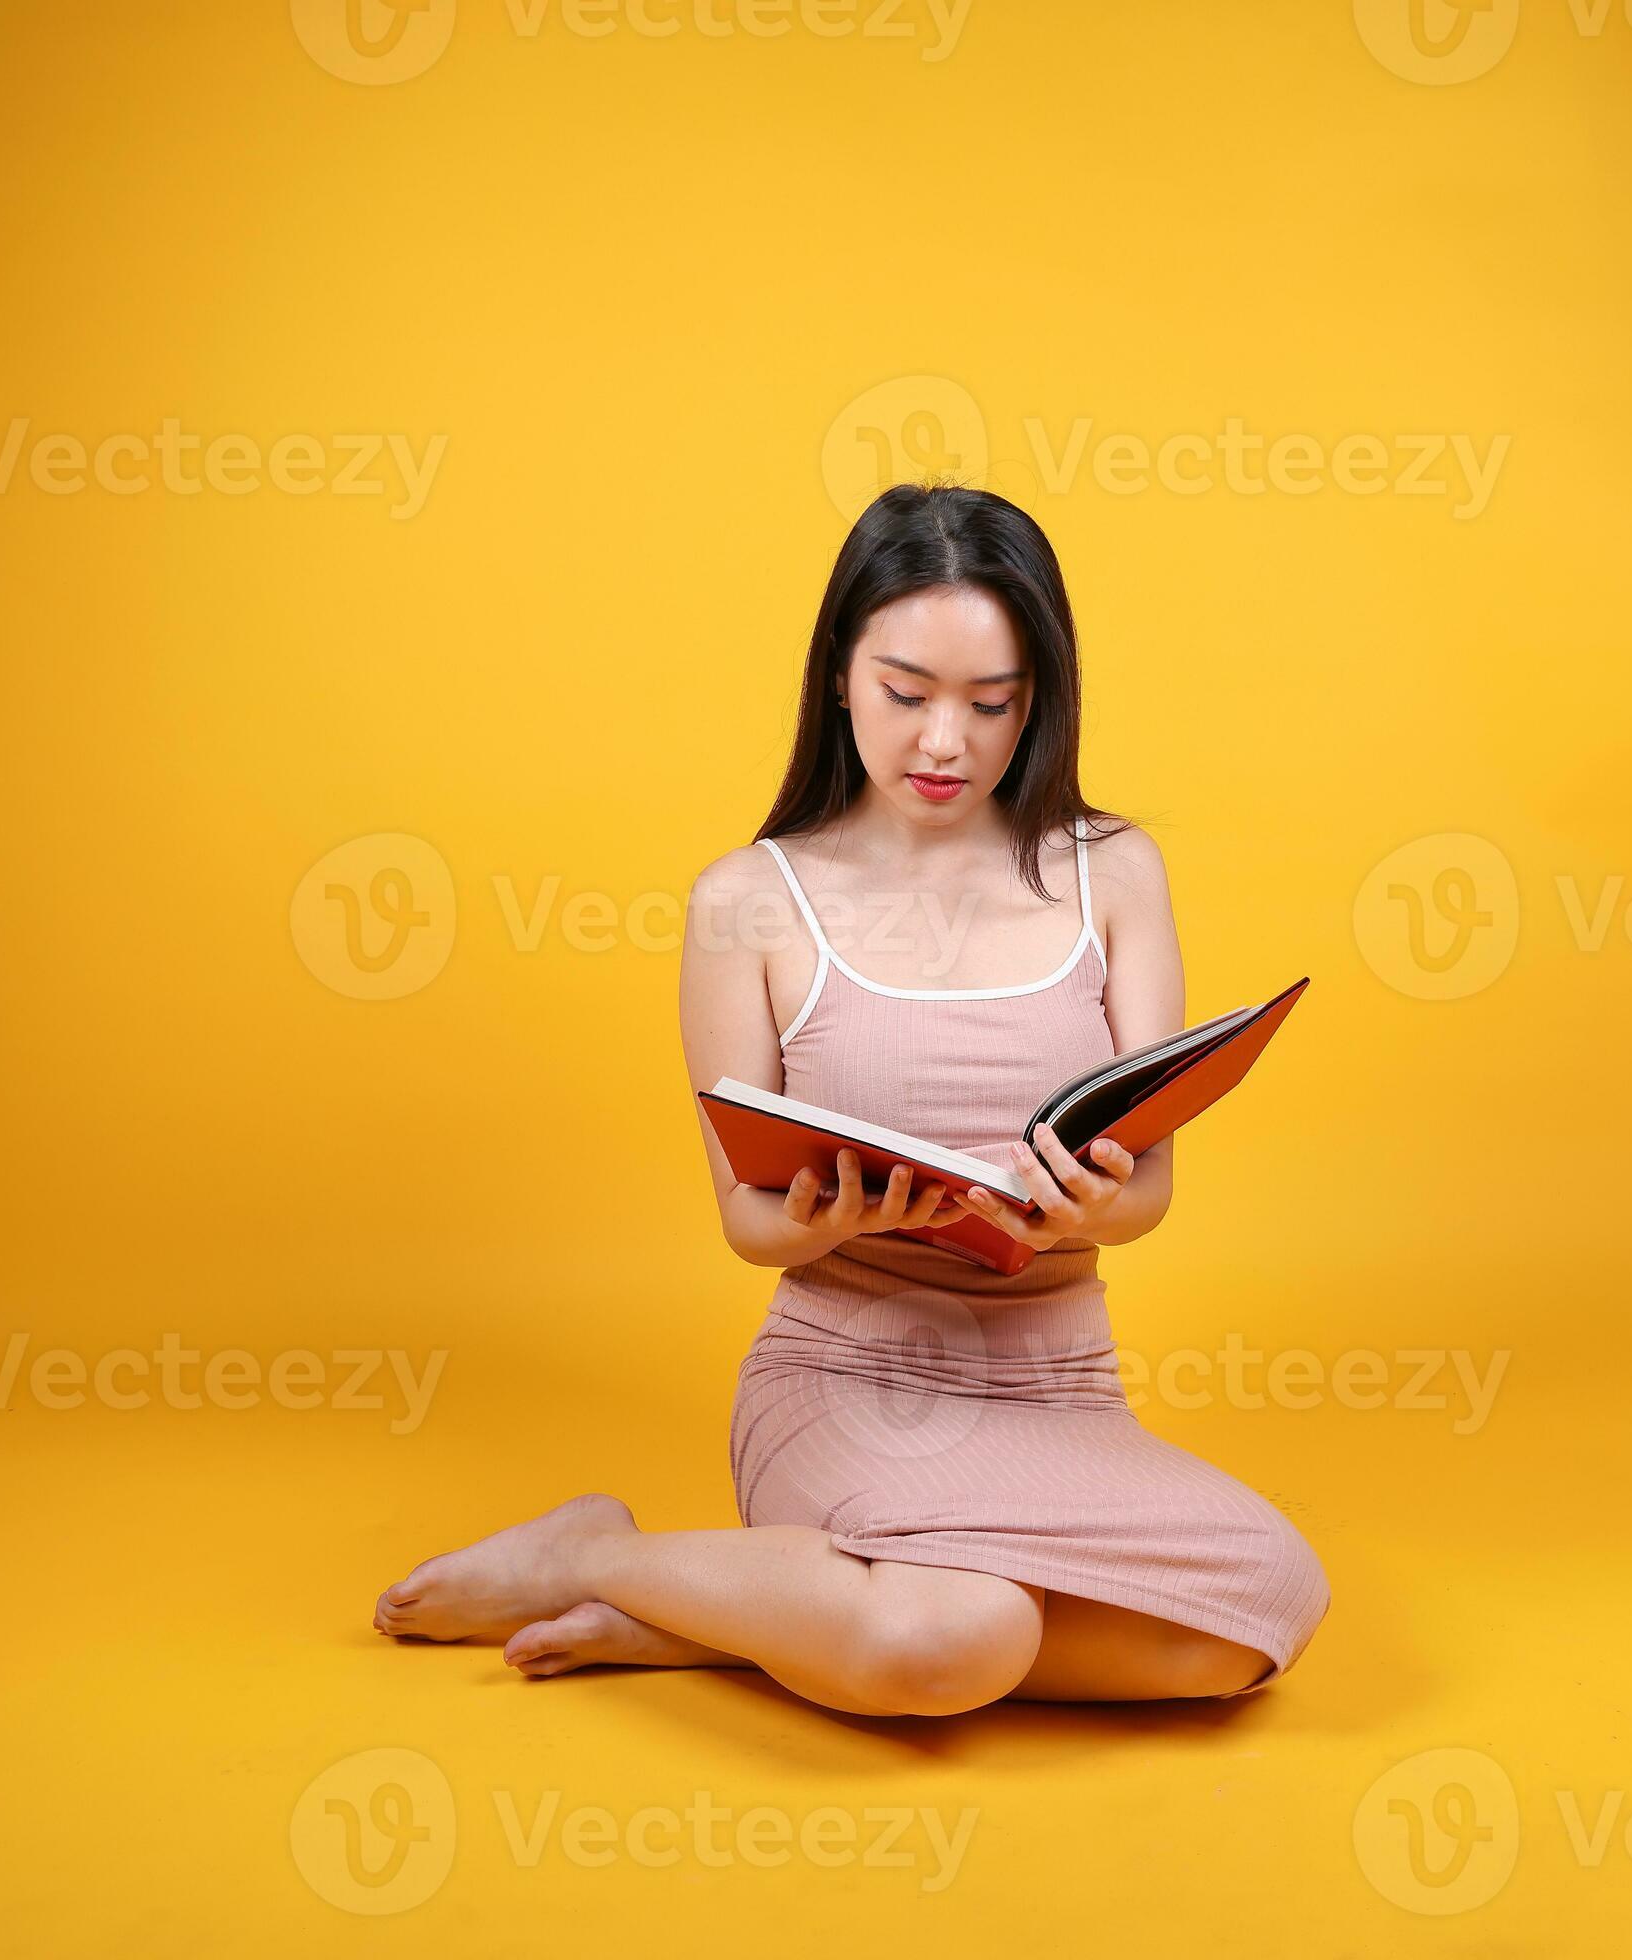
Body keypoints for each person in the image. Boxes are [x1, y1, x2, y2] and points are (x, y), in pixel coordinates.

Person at [372, 484, 1329, 1715]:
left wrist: (1078, 1212)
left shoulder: (1116, 872)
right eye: (905, 693)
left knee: (1250, 1610)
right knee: (957, 1638)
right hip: (845, 1377)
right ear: (838, 676)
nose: (946, 743)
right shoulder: (745, 903)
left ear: (1039, 698)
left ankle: (730, 1617)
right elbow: (744, 1221)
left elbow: (1147, 1193)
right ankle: (592, 1550)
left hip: (1052, 1385)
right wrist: (833, 1220)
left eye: (992, 704)